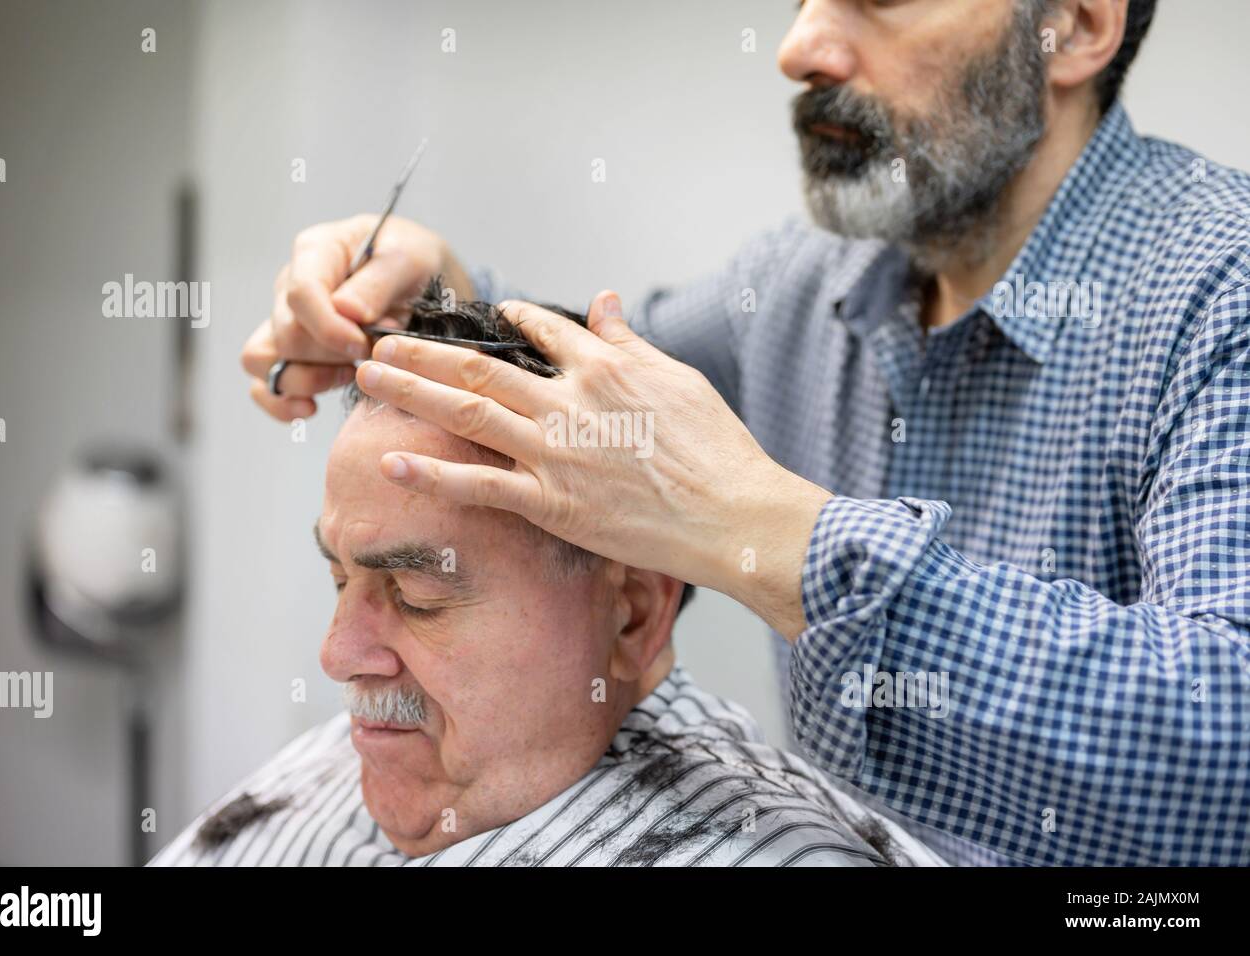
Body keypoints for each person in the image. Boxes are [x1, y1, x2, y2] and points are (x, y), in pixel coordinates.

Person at [241, 0, 1250, 865]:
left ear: (1073, 26)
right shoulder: (813, 281)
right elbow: (611, 401)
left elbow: (1230, 747)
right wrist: (445, 292)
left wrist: (775, 536)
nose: (799, 44)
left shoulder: (1220, 289)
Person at [157, 285, 943, 867]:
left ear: (631, 618)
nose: (338, 655)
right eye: (340, 582)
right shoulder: (364, 750)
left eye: (417, 596)